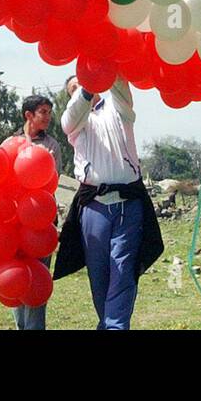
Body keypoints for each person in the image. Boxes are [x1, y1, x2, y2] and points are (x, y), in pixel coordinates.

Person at [54, 74, 164, 330]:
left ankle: (115, 326)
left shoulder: (117, 110)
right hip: (94, 206)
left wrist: (106, 68)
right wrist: (86, 86)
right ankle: (107, 323)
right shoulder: (75, 122)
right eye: (74, 87)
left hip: (128, 204)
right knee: (99, 271)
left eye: (83, 82)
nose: (81, 87)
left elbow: (122, 92)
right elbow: (69, 119)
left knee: (123, 267)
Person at [4, 93, 64, 331]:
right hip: (14, 223)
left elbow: (53, 181)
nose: (49, 117)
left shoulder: (52, 146)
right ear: (29, 115)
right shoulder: (9, 144)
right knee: (16, 277)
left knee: (38, 278)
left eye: (50, 112)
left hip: (41, 222)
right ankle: (22, 326)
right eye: (44, 112)